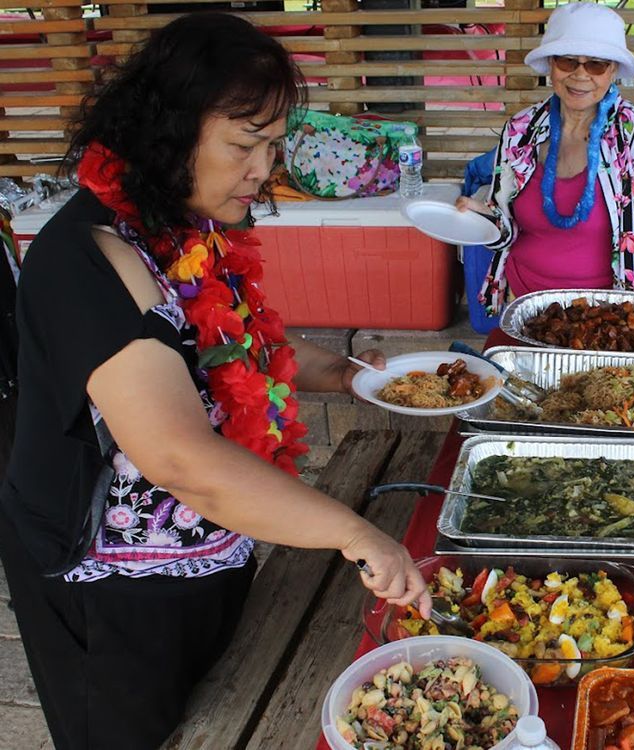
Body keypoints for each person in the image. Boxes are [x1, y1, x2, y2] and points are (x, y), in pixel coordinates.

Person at [0, 13, 429, 749]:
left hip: (212, 553)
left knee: (221, 709)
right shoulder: (83, 260)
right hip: (115, 595)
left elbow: (230, 346)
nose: (264, 170)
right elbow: (180, 458)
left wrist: (345, 374)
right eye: (244, 144)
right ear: (167, 129)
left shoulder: (179, 223)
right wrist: (356, 535)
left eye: (273, 145)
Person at [457, 2, 634, 355]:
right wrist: (483, 218)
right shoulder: (521, 130)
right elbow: (506, 227)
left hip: (606, 319)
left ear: (613, 71)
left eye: (596, 64)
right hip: (528, 311)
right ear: (551, 65)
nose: (581, 75)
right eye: (568, 61)